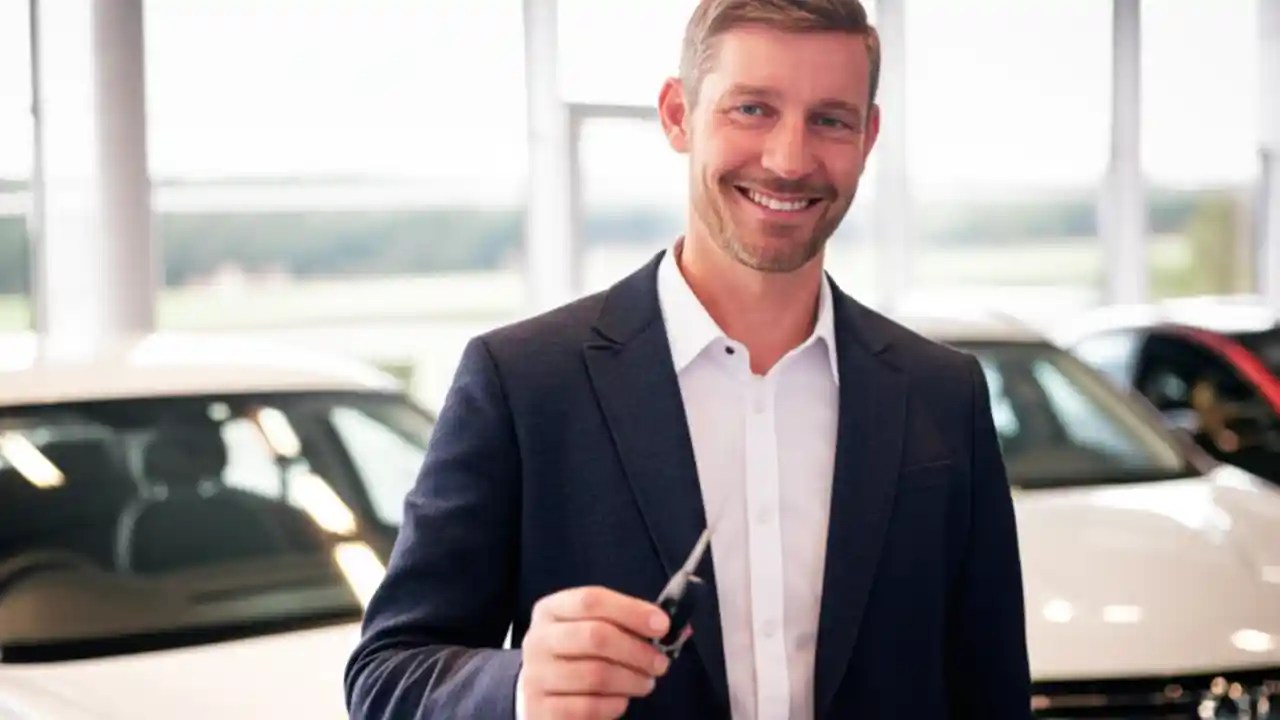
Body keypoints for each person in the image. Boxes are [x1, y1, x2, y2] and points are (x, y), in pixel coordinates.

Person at [344, 0, 1032, 717]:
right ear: (678, 115)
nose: (789, 160)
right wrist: (517, 687)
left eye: (830, 119)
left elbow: (991, 691)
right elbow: (386, 675)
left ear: (869, 136)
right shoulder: (524, 383)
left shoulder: (942, 395)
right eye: (752, 110)